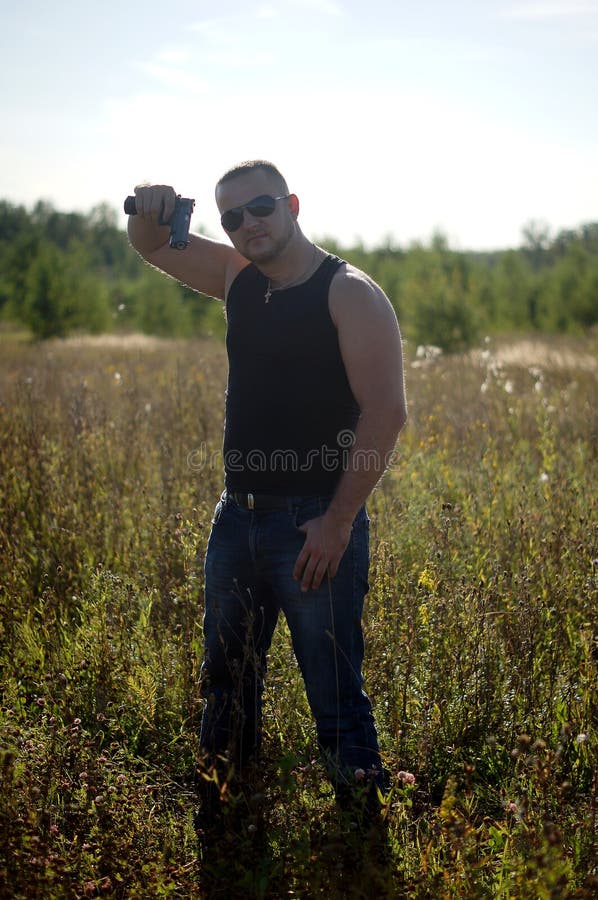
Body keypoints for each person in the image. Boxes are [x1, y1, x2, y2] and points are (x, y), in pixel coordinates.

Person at [127, 160, 407, 830]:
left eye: (259, 208)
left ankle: (360, 838)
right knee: (226, 679)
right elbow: (151, 245)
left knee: (334, 691)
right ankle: (228, 816)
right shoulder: (237, 279)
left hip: (314, 525)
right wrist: (150, 209)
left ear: (292, 204)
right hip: (238, 519)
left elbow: (386, 413)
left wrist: (339, 521)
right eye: (230, 217)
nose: (246, 225)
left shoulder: (349, 293)